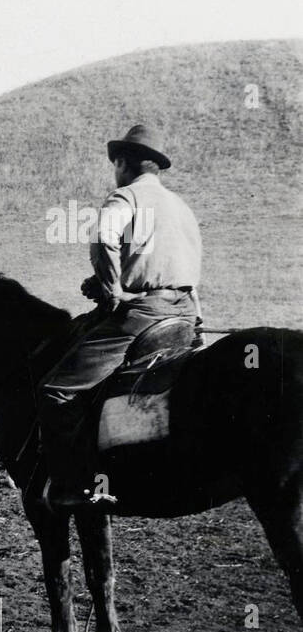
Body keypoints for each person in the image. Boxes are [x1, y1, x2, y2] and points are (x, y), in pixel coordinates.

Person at [38, 125, 202, 507]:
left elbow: (102, 238)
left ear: (123, 163)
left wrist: (112, 290)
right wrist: (197, 328)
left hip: (144, 315)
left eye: (116, 164)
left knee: (57, 390)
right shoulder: (181, 208)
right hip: (183, 314)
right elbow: (186, 273)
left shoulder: (126, 195)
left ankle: (70, 486)